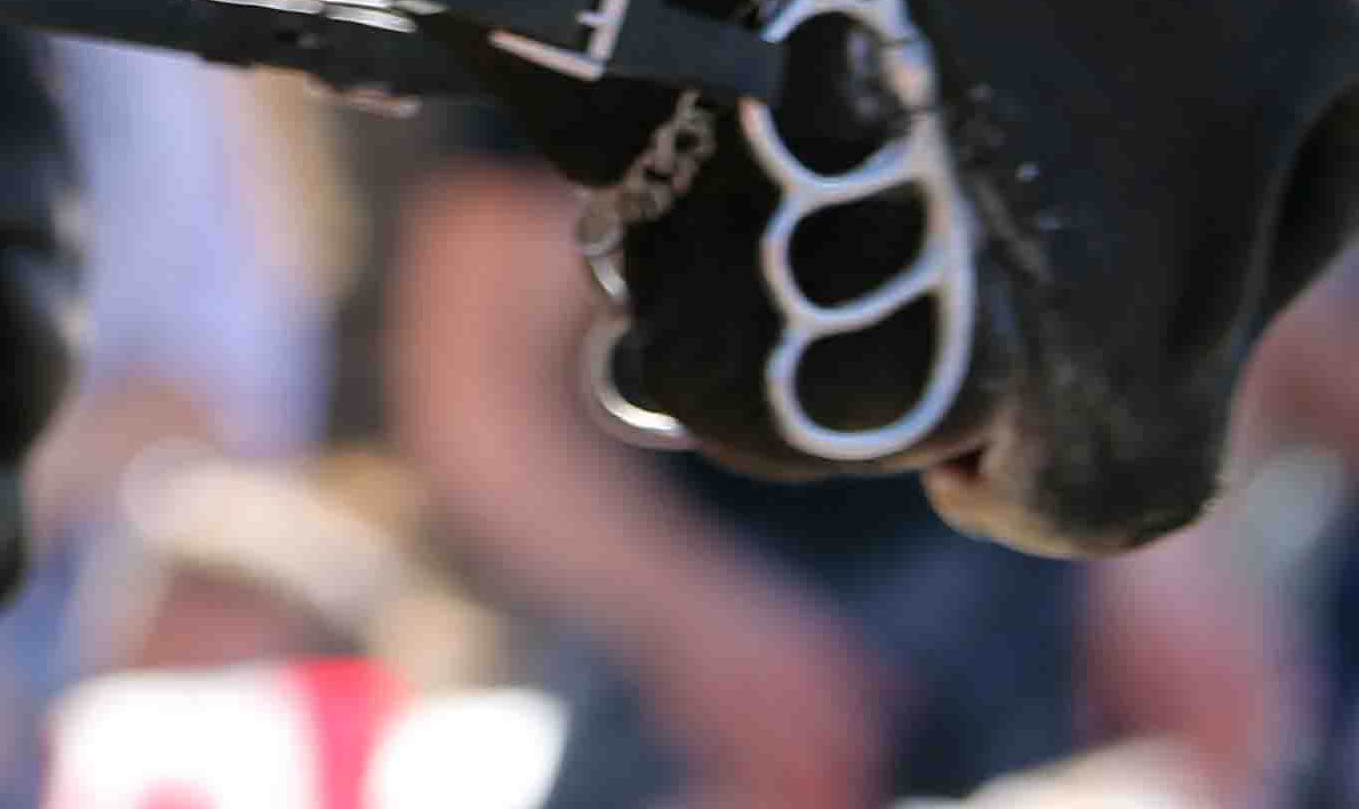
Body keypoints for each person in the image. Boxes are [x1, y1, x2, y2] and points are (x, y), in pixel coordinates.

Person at [387, 128, 1288, 809]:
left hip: (1034, 597)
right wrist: (708, 632)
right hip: (704, 618)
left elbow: (1172, 269)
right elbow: (478, 405)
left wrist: (1154, 542)